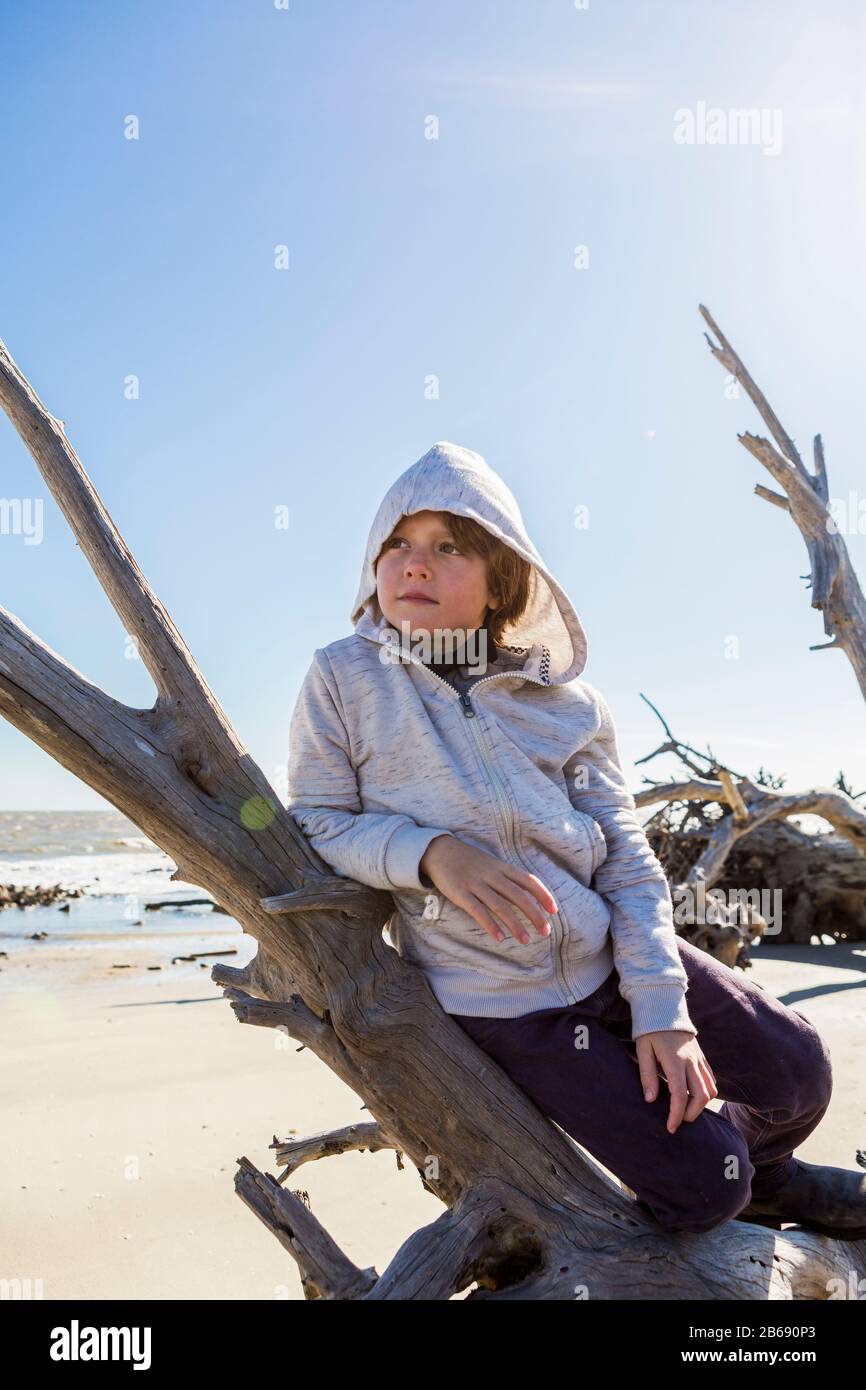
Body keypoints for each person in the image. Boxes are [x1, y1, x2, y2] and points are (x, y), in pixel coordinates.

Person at [286, 440, 866, 1238]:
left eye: (448, 546)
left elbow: (627, 859)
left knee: (798, 1073)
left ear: (501, 579)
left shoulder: (569, 705)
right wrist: (429, 854)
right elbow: (317, 821)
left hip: (606, 958)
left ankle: (768, 1178)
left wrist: (661, 1009)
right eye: (397, 544)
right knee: (703, 1191)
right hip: (503, 1004)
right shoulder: (343, 679)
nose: (414, 565)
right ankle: (730, 1177)